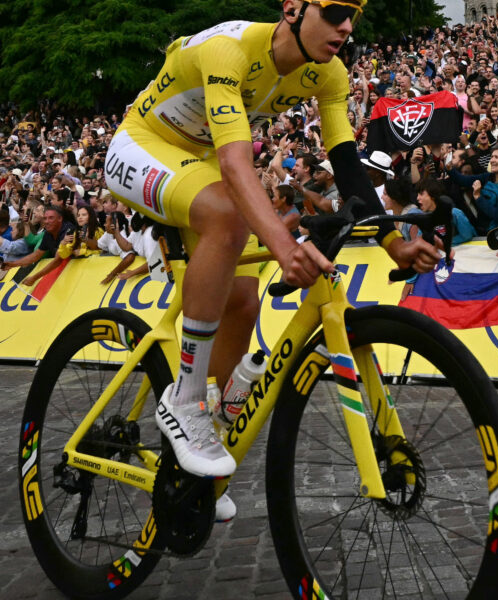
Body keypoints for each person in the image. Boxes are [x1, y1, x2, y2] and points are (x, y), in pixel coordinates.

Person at [102, 0, 438, 489]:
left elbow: (345, 162)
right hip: (144, 142)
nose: (346, 27)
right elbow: (238, 168)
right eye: (336, 12)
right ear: (294, 9)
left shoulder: (329, 73)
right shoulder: (228, 51)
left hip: (201, 162)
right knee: (229, 214)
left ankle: (193, 464)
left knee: (241, 302)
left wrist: (392, 240)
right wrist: (284, 247)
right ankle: (185, 398)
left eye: (354, 17)